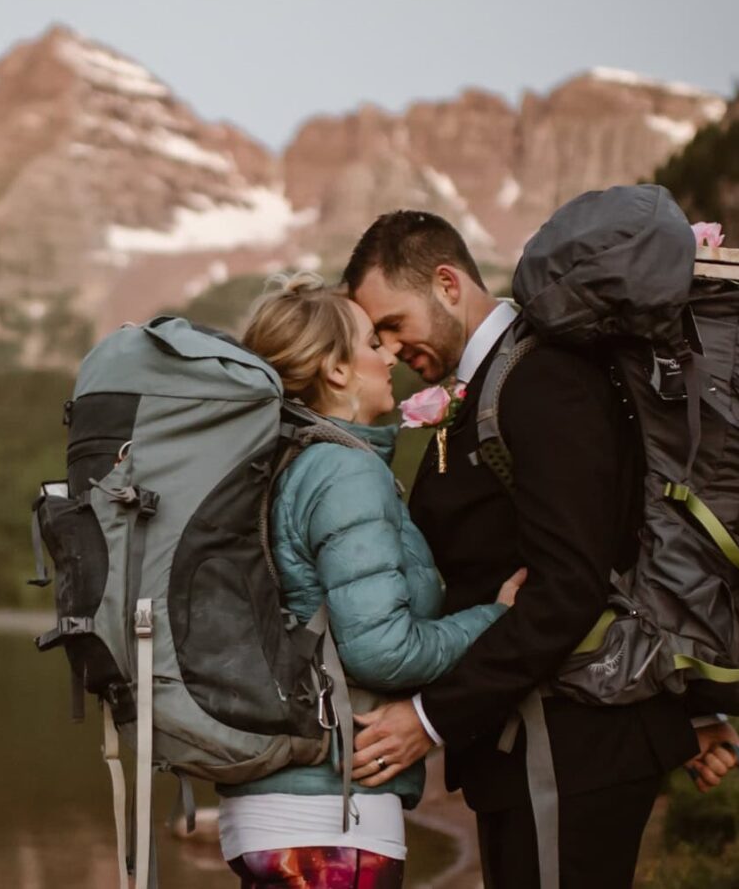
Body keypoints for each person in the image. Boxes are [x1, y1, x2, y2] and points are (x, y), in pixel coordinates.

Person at [341, 211, 739, 888]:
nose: (386, 349)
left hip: (567, 744)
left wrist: (428, 720)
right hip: (533, 749)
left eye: (391, 324)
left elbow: (569, 588)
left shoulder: (541, 379)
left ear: (446, 284)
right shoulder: (497, 386)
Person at [218, 273, 529, 889]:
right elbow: (380, 651)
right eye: (370, 342)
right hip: (328, 817)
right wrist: (498, 617)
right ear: (336, 371)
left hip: (286, 810)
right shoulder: (342, 473)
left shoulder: (293, 463)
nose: (389, 355)